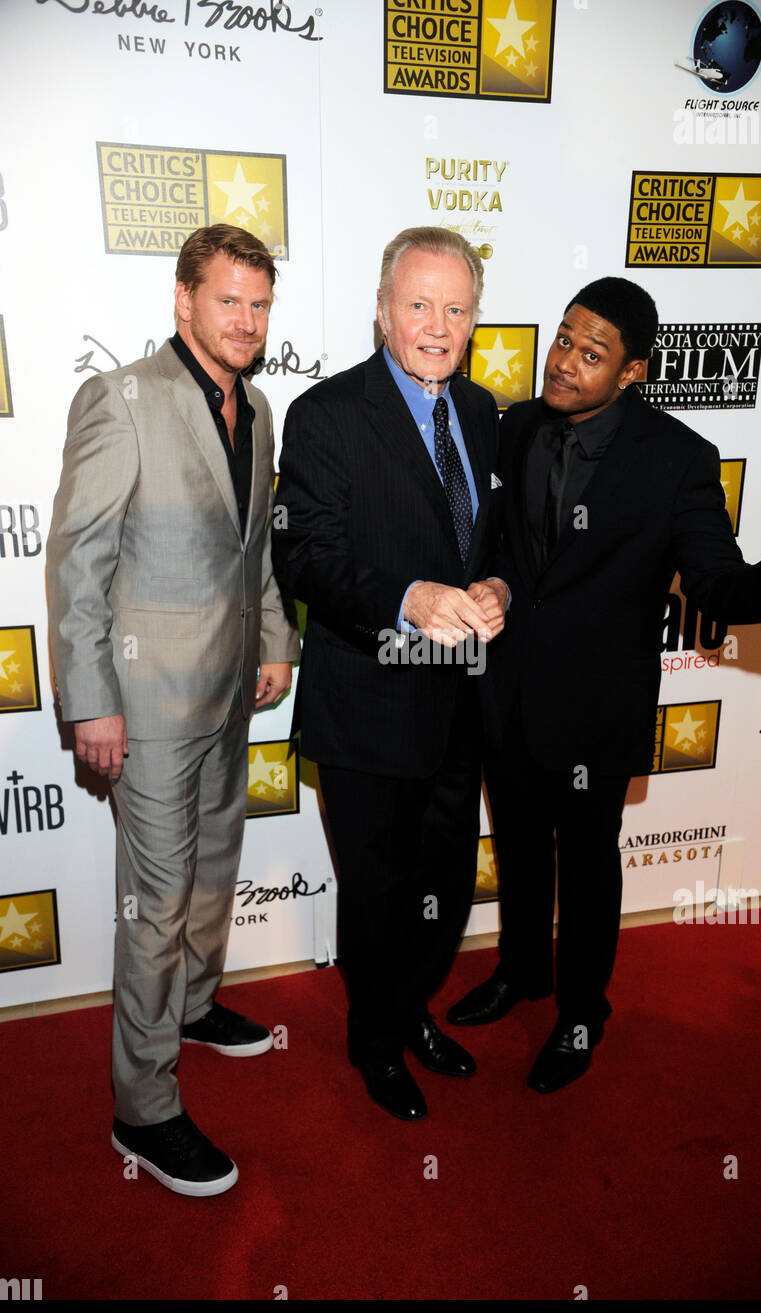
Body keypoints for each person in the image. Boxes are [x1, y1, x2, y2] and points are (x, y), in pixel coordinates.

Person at [446, 276, 761, 1093]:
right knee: (522, 849)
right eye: (563, 338)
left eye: (590, 354)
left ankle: (578, 1014)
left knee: (588, 864)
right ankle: (522, 970)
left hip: (596, 707)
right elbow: (494, 552)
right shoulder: (513, 426)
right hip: (504, 691)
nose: (563, 362)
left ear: (631, 372)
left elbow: (713, 582)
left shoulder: (677, 460)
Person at [46, 224, 299, 1195]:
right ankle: (143, 1107)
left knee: (212, 867)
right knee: (155, 905)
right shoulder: (123, 400)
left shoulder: (259, 406)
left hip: (229, 689)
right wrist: (90, 703)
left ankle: (194, 1005)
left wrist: (274, 638)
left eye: (259, 303)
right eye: (228, 298)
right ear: (183, 300)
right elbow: (79, 562)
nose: (245, 319)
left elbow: (255, 550)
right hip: (143, 706)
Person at [272, 226, 505, 1121]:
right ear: (381, 309)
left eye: (455, 308)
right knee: (376, 895)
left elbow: (501, 544)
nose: (436, 325)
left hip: (460, 705)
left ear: (474, 318)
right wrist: (409, 597)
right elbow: (306, 561)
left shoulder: (484, 411)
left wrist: (496, 588)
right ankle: (375, 1043)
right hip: (368, 706)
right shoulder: (327, 415)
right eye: (418, 304)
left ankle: (411, 1013)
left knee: (442, 887)